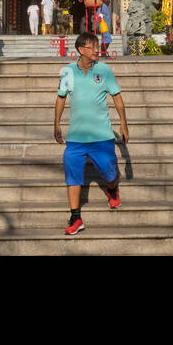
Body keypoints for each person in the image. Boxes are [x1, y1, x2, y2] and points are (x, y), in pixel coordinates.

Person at [55, 32, 129, 236]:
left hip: (102, 137)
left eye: (97, 46)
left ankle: (112, 188)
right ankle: (75, 216)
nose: (98, 50)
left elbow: (117, 97)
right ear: (81, 50)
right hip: (76, 139)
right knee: (72, 177)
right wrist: (56, 123)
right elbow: (61, 97)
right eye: (93, 47)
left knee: (110, 174)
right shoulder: (68, 72)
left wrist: (123, 124)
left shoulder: (104, 70)